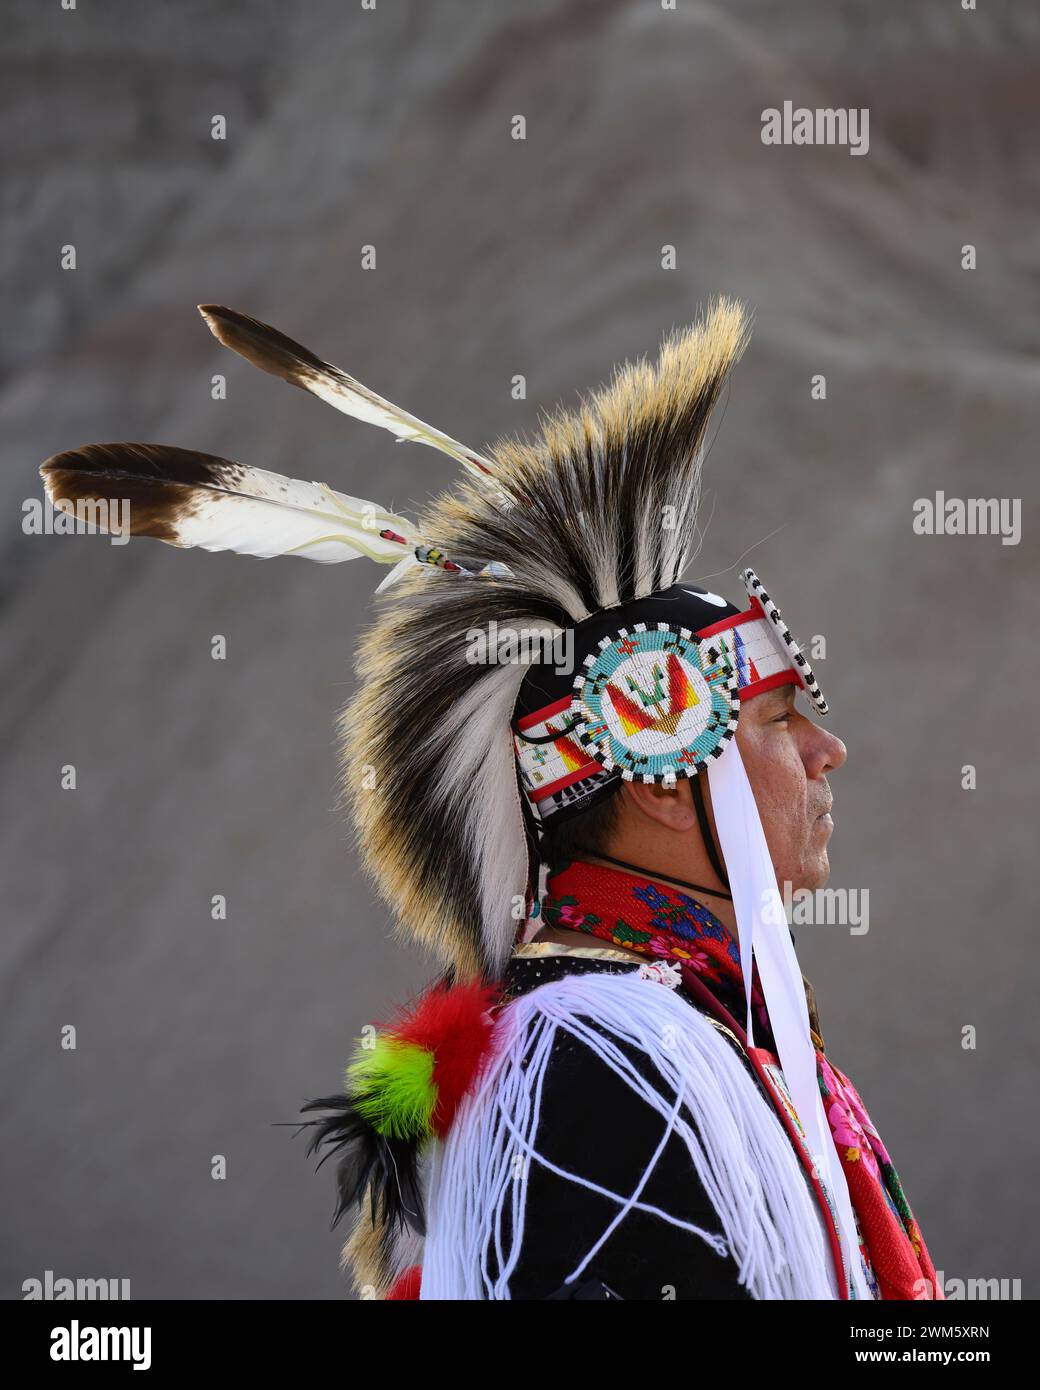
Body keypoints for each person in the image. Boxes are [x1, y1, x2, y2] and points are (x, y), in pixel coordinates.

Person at [40, 297, 940, 1301]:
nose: (828, 751)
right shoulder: (597, 1061)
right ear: (660, 779)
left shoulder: (688, 1036)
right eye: (777, 721)